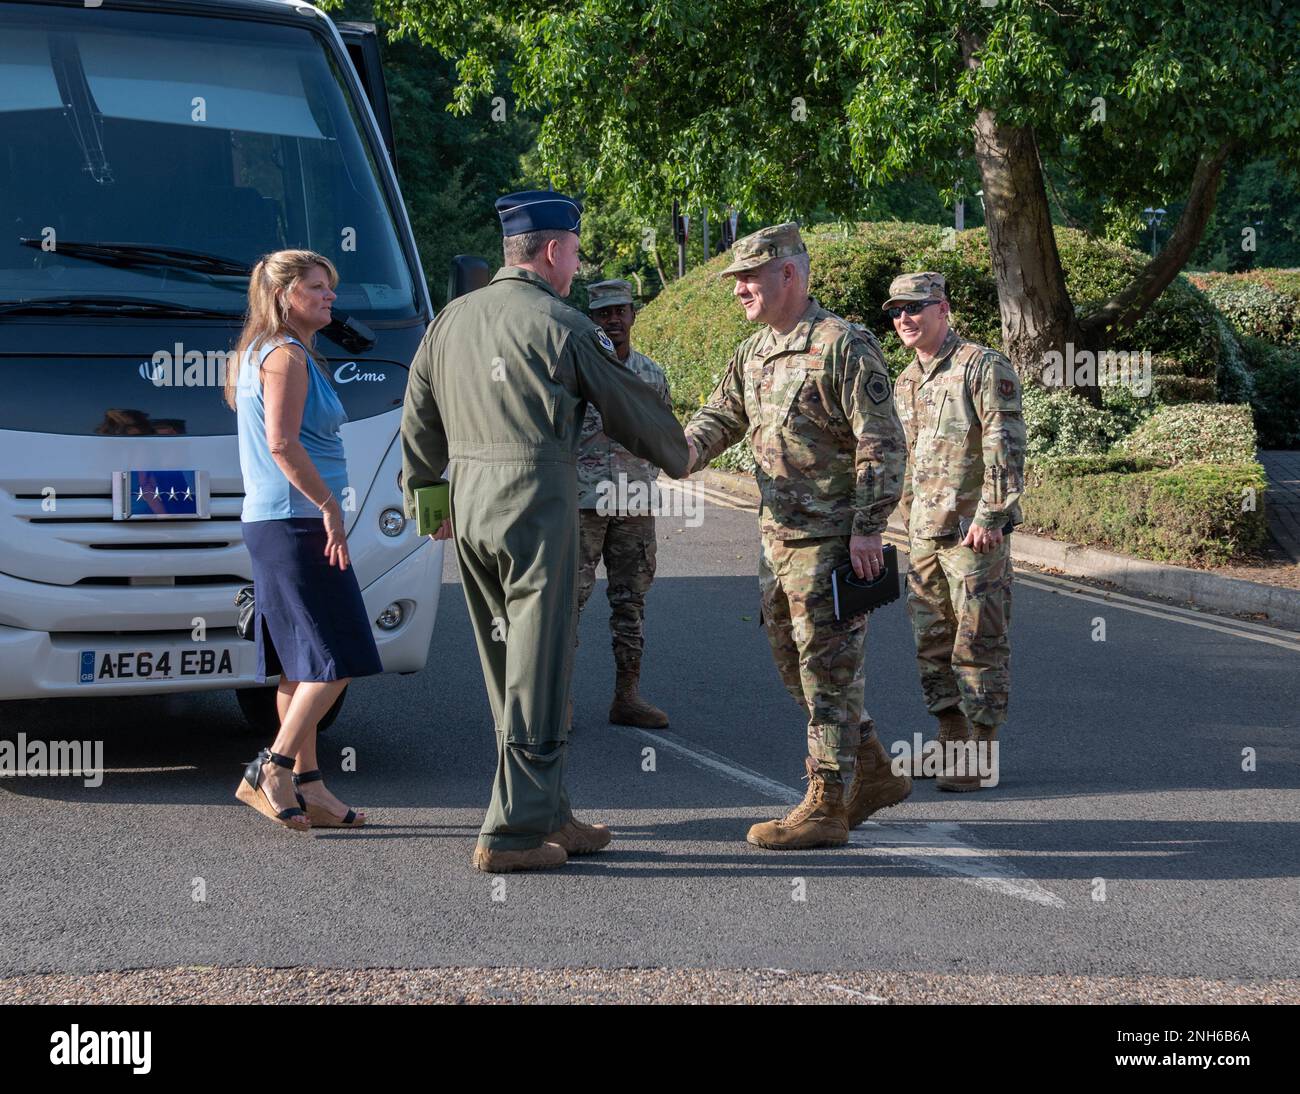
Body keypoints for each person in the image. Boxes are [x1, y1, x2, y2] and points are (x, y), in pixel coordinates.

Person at [400, 191, 691, 874]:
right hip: (537, 504)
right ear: (554, 250)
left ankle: (552, 810)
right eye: (577, 253)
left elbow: (418, 418)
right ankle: (512, 832)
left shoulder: (450, 319)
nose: (578, 267)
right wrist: (680, 452)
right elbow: (632, 411)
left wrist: (429, 502)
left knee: (508, 663)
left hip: (469, 505)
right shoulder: (564, 325)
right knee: (541, 666)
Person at [683, 223, 911, 850]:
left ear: (788, 274)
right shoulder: (754, 351)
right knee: (796, 666)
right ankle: (873, 771)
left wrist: (869, 529)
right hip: (777, 539)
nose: (739, 289)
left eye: (749, 277)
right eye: (736, 280)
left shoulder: (843, 345)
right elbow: (721, 414)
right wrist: (680, 450)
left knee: (827, 672)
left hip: (833, 540)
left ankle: (826, 804)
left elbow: (881, 443)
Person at [225, 249, 381, 831]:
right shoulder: (286, 356)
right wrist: (329, 508)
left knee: (301, 665)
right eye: (316, 287)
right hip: (297, 523)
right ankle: (272, 767)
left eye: (329, 287)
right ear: (284, 296)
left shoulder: (261, 352)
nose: (330, 296)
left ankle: (310, 785)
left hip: (277, 523)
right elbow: (283, 444)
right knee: (340, 656)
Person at [886, 272, 1025, 791]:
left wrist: (992, 515)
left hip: (972, 535)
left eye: (914, 307)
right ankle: (950, 738)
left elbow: (1005, 443)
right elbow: (904, 457)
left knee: (979, 639)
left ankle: (981, 752)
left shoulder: (982, 366)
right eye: (896, 311)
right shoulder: (906, 380)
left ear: (943, 309)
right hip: (924, 534)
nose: (904, 318)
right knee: (932, 640)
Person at [575, 278, 674, 729]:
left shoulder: (651, 374)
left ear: (633, 315)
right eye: (604, 313)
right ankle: (556, 701)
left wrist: (646, 480)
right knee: (567, 602)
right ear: (591, 319)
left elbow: (663, 435)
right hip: (584, 503)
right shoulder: (575, 373)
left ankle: (627, 698)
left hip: (634, 503)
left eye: (620, 311)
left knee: (631, 602)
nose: (613, 320)